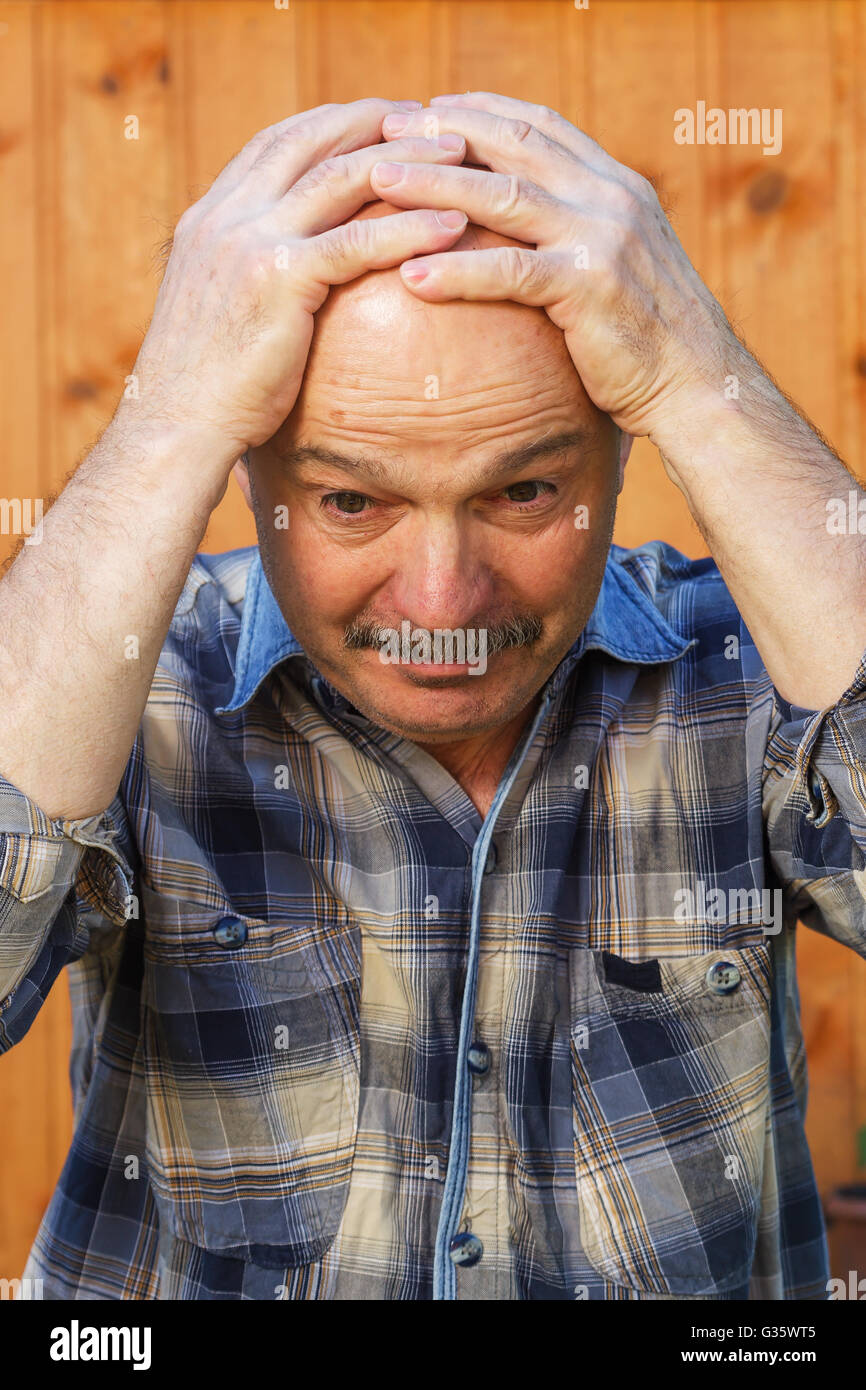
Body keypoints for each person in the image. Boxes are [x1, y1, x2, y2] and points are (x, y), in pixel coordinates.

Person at [1, 92, 864, 1301]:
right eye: (351, 502)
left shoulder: (749, 671)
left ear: (623, 449)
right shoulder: (129, 683)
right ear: (244, 468)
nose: (443, 601)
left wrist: (695, 367)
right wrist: (167, 417)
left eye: (521, 492)